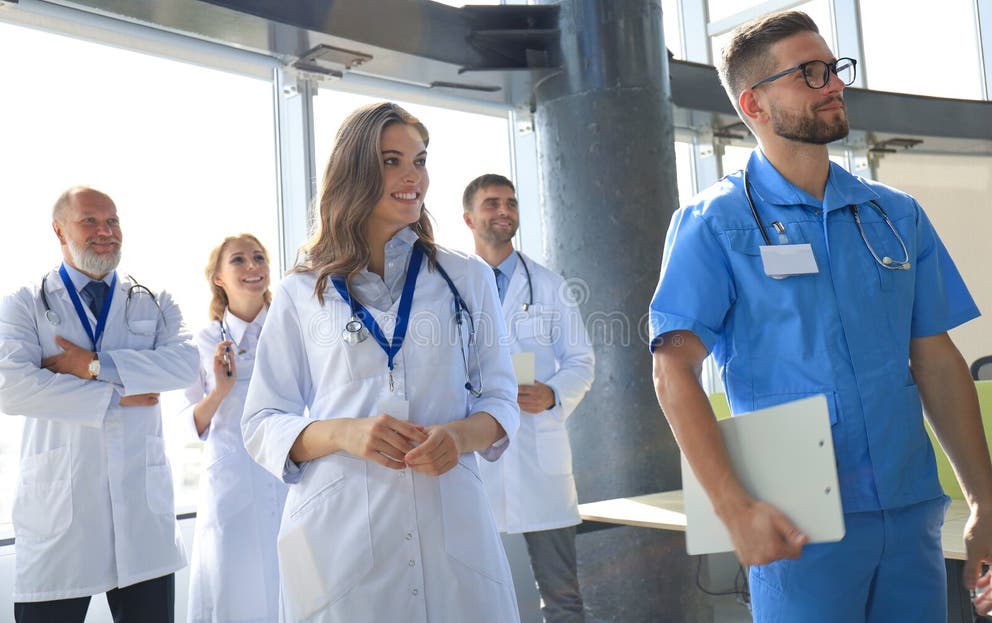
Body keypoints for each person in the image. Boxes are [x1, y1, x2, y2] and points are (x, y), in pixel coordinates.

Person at [648, 11, 992, 622]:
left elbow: (937, 361)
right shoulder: (715, 224)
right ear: (753, 103)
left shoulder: (894, 214)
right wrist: (733, 509)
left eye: (834, 69)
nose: (833, 84)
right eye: (810, 73)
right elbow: (672, 372)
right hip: (799, 522)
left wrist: (985, 501)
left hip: (910, 509)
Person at [241, 102, 521, 622]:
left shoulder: (466, 279)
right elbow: (261, 422)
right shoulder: (303, 292)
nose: (412, 175)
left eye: (420, 159)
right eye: (392, 160)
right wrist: (347, 434)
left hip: (451, 526)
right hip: (341, 536)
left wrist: (459, 438)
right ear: (355, 171)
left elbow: (501, 397)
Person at [0, 186, 198, 622]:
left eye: (113, 221)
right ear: (59, 230)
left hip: (143, 519)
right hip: (60, 523)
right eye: (90, 220)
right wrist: (117, 390)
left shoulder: (153, 299)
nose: (106, 231)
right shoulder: (24, 303)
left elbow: (185, 365)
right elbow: (10, 388)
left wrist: (91, 366)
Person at [462, 173, 594, 623]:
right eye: (492, 203)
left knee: (563, 599)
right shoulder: (449, 287)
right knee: (480, 596)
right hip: (476, 454)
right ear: (469, 217)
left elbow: (581, 360)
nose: (504, 211)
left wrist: (553, 394)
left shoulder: (549, 285)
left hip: (539, 454)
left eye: (511, 204)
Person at [181, 234, 287, 623]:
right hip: (232, 482)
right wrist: (220, 391)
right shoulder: (203, 342)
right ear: (218, 278)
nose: (252, 267)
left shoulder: (289, 332)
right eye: (239, 261)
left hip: (288, 475)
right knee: (234, 591)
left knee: (292, 582)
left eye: (258, 258)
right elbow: (189, 424)